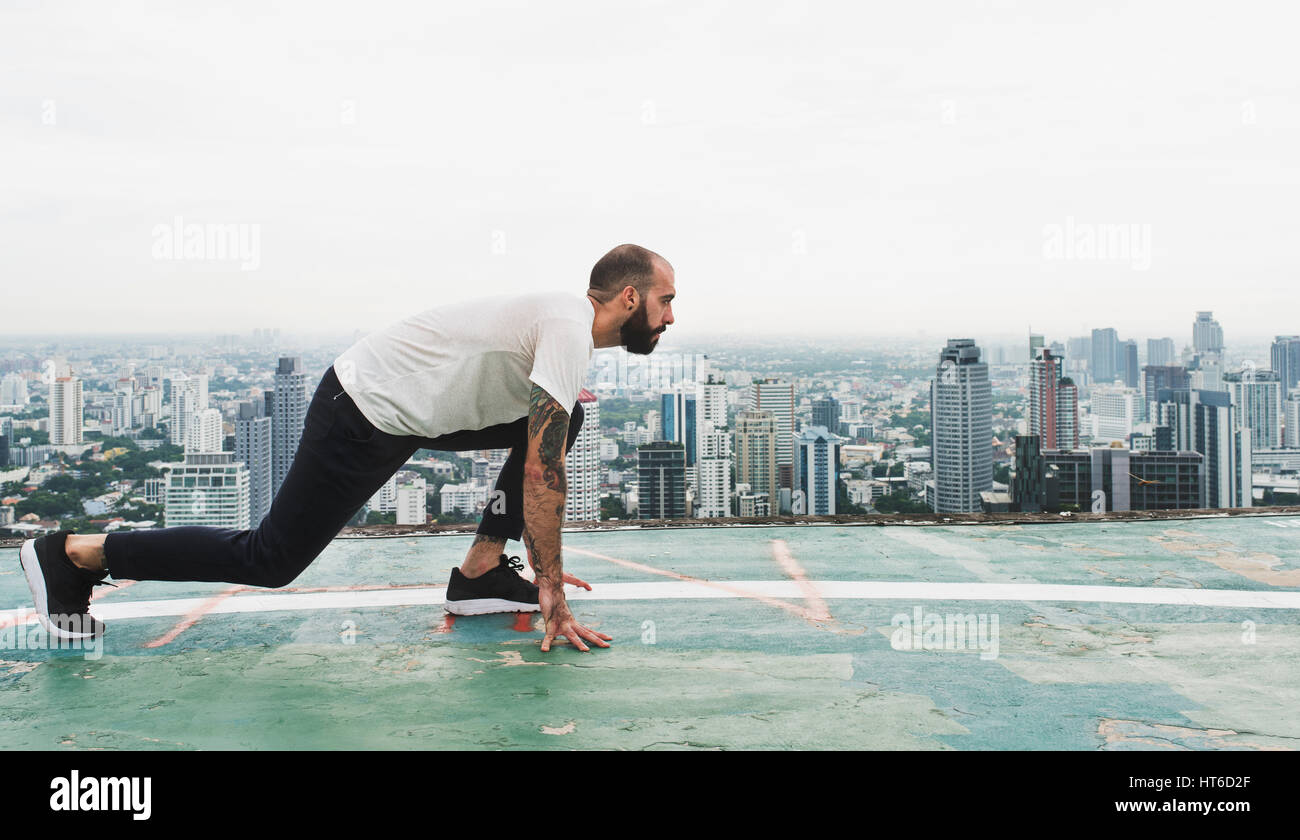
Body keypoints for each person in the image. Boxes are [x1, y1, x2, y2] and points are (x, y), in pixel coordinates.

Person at [19, 244, 676, 654]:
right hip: (363, 410)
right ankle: (75, 554)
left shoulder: (566, 324)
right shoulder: (567, 327)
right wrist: (552, 595)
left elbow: (541, 445)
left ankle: (478, 574)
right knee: (271, 558)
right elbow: (541, 472)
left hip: (409, 412)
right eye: (664, 300)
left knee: (567, 421)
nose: (670, 316)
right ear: (628, 297)